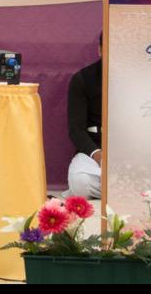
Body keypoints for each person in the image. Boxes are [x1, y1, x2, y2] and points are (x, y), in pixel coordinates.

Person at [66, 33, 102, 199]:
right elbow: (76, 130)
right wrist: (97, 155)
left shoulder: (138, 77)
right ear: (100, 50)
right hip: (95, 150)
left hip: (131, 153)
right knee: (80, 182)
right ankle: (123, 190)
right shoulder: (83, 79)